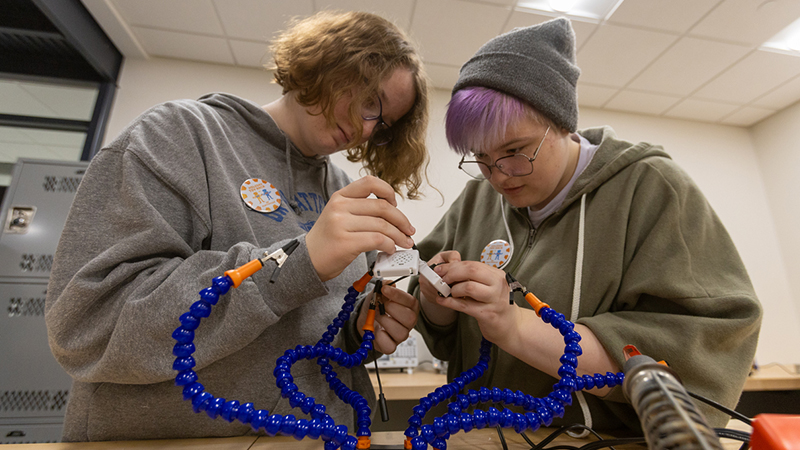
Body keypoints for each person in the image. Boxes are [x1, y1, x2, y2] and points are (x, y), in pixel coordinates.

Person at [46, 10, 427, 442]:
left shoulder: (341, 189)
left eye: (383, 123)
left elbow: (309, 330)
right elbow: (89, 326)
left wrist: (362, 328)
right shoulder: (178, 135)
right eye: (369, 100)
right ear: (331, 63)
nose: (365, 127)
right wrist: (295, 264)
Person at [410, 17, 762, 433]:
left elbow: (702, 346)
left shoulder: (650, 187)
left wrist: (514, 326)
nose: (500, 175)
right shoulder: (476, 200)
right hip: (475, 435)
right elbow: (441, 329)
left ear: (562, 122)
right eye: (480, 158)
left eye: (515, 150)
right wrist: (437, 299)